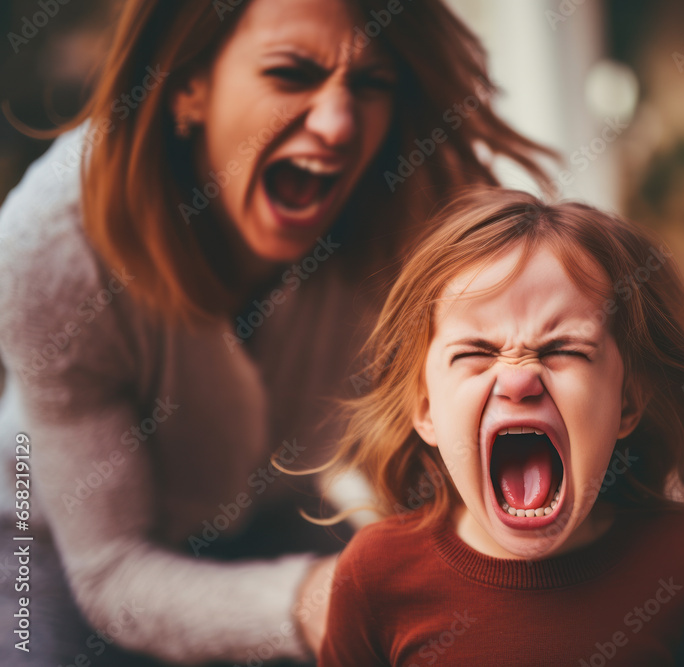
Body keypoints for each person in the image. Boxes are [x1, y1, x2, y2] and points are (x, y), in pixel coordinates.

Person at [0, 0, 552, 664]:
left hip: (266, 519)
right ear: (187, 86)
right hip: (55, 558)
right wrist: (324, 599)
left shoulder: (404, 215)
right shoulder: (50, 247)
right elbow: (114, 572)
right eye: (292, 73)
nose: (338, 123)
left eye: (371, 84)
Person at [315, 187, 684, 665]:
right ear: (425, 409)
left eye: (564, 349)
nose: (519, 378)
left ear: (627, 403)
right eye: (476, 353)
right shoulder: (374, 574)